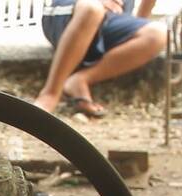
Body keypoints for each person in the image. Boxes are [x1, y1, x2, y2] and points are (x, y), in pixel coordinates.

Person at [34, 0, 166, 118]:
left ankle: (80, 80)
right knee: (92, 8)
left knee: (158, 33)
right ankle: (50, 93)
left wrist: (138, 23)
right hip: (70, 10)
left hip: (112, 18)